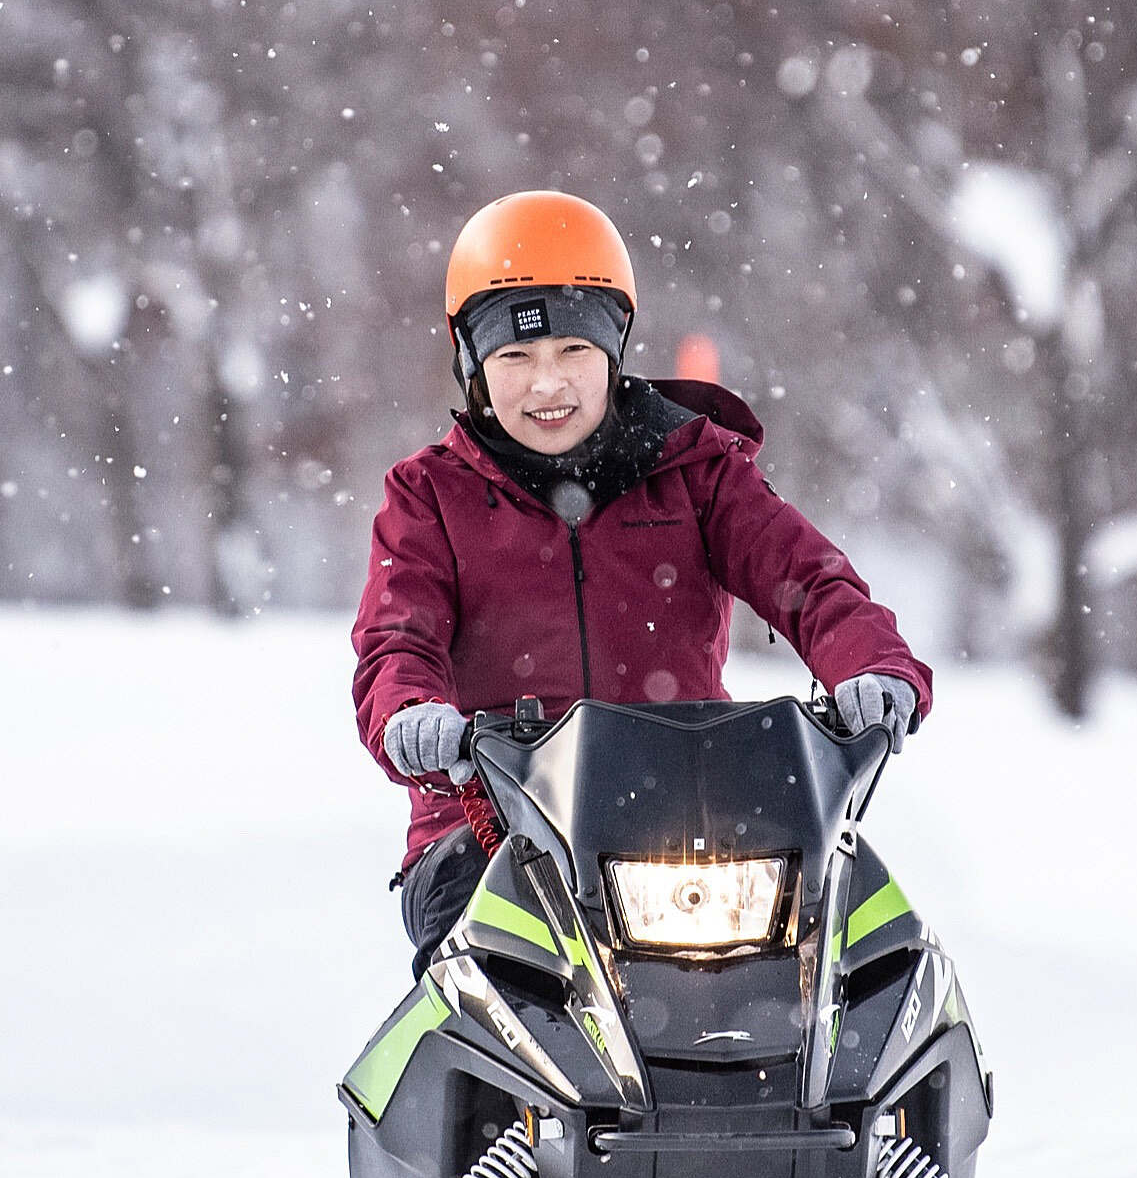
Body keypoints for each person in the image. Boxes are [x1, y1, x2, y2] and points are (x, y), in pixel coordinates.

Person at [353, 189, 931, 962]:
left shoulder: (698, 473)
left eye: (573, 352)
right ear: (473, 366)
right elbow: (395, 641)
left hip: (696, 824)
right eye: (514, 357)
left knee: (858, 964)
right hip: (491, 826)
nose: (547, 385)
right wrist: (413, 715)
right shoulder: (427, 497)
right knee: (491, 994)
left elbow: (811, 580)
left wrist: (872, 666)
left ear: (616, 350)